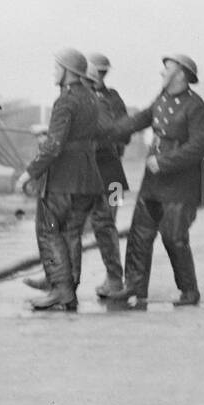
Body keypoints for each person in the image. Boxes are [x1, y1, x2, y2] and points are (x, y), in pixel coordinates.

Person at [102, 53, 204, 306]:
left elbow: (200, 146)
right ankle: (135, 288)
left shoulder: (196, 107)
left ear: (181, 74)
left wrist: (164, 162)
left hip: (181, 186)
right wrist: (102, 133)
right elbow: (137, 121)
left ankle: (189, 291)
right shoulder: (161, 100)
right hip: (154, 184)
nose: (162, 73)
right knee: (140, 234)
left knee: (174, 237)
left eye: (167, 69)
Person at [16, 48, 102, 311]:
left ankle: (60, 291)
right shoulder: (91, 97)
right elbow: (77, 133)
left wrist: (29, 173)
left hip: (64, 179)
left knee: (49, 232)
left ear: (68, 72)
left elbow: (54, 146)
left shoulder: (64, 101)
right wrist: (49, 131)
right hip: (88, 177)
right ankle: (66, 286)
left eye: (57, 68)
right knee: (71, 233)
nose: (54, 72)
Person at [83, 53, 130, 297]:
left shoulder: (113, 98)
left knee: (106, 225)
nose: (99, 76)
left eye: (103, 72)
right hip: (89, 172)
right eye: (96, 71)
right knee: (70, 225)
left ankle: (114, 279)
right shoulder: (81, 96)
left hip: (113, 174)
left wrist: (106, 136)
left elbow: (126, 132)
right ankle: (56, 277)